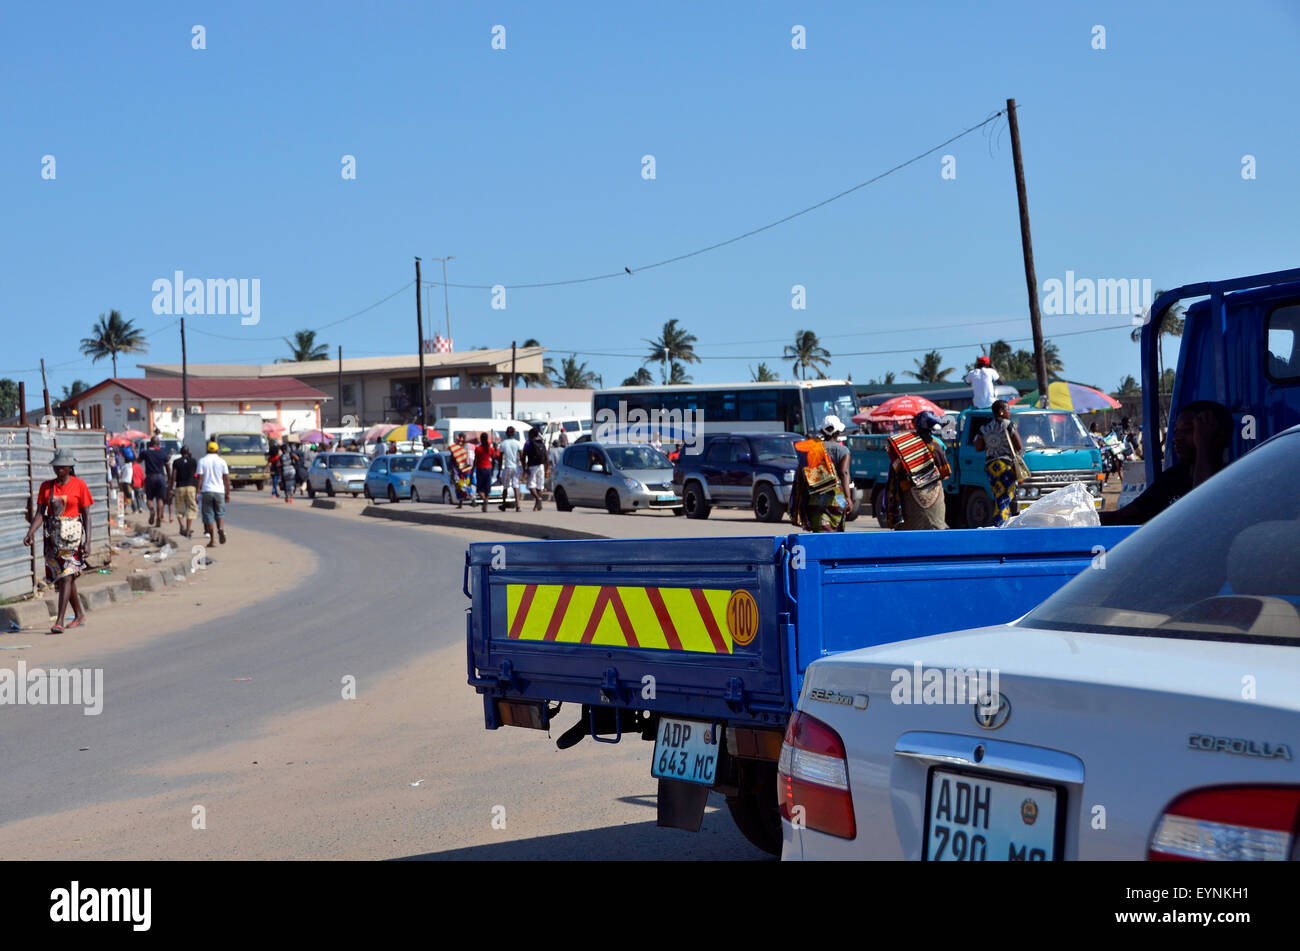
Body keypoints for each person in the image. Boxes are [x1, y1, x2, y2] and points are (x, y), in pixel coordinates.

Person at [1100, 400, 1231, 525]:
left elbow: (1201, 512)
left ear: (1214, 433)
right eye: (1176, 431)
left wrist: (1204, 445)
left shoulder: (1232, 481)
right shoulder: (1174, 479)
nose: (1177, 438)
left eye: (1188, 430)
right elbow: (1124, 517)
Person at [22, 449, 92, 633]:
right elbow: (39, 514)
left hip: (72, 539)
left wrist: (88, 541)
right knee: (63, 579)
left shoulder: (80, 485)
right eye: (56, 467)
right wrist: (30, 533)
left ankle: (59, 621)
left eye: (62, 467)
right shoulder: (47, 487)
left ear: (70, 467)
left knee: (67, 576)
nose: (58, 470)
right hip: (53, 540)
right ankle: (79, 614)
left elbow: (87, 516)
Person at [885, 411, 951, 530]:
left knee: (911, 526)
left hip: (909, 491)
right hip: (933, 492)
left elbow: (897, 469)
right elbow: (945, 472)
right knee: (935, 524)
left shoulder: (904, 443)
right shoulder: (936, 445)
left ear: (917, 425)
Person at [790, 415, 853, 533]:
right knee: (836, 534)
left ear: (822, 432)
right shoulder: (843, 450)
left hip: (814, 499)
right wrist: (848, 498)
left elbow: (802, 474)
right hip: (837, 498)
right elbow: (844, 473)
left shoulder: (812, 449)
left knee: (819, 535)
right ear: (837, 432)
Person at [974, 399, 1023, 526]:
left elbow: (978, 447)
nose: (1009, 412)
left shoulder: (984, 428)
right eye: (1008, 409)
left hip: (991, 467)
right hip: (1005, 466)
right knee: (1005, 497)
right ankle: (1002, 524)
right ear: (1001, 412)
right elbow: (1018, 446)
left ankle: (1001, 522)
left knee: (998, 496)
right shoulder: (1008, 424)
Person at [197, 439, 232, 544]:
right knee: (220, 513)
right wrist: (228, 493)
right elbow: (226, 478)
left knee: (208, 515)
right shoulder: (222, 461)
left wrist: (197, 492)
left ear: (207, 450)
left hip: (207, 491)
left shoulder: (202, 461)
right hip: (219, 491)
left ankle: (212, 540)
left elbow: (200, 478)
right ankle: (220, 529)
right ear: (217, 450)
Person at [170, 445, 199, 538]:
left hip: (180, 487)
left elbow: (174, 475)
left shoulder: (176, 462)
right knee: (191, 508)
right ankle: (188, 529)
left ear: (180, 452)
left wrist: (171, 488)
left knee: (179, 508)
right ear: (188, 452)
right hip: (191, 487)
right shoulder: (193, 461)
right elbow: (196, 475)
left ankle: (181, 526)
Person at [498, 426, 523, 512]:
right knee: (516, 486)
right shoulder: (517, 443)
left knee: (505, 487)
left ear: (506, 433)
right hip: (516, 467)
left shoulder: (503, 443)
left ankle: (504, 504)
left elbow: (500, 458)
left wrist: (498, 470)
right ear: (514, 433)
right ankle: (518, 506)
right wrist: (523, 466)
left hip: (507, 467)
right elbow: (521, 455)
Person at [523, 428, 549, 511]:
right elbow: (546, 457)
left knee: (530, 486)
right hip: (541, 466)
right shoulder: (541, 443)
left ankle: (538, 498)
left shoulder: (528, 443)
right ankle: (537, 506)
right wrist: (547, 469)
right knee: (539, 486)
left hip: (532, 466)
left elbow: (523, 456)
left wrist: (524, 468)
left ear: (531, 434)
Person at [449, 432, 473, 508]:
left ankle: (467, 500)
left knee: (461, 485)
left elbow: (453, 459)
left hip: (462, 470)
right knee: (463, 485)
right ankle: (467, 500)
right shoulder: (467, 447)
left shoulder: (461, 448)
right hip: (465, 469)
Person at [473, 432, 494, 512]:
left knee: (480, 489)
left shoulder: (478, 448)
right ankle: (486, 501)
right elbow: (494, 457)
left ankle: (484, 500)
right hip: (488, 468)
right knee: (487, 487)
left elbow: (475, 460)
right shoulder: (490, 448)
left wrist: (472, 470)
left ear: (481, 439)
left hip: (480, 468)